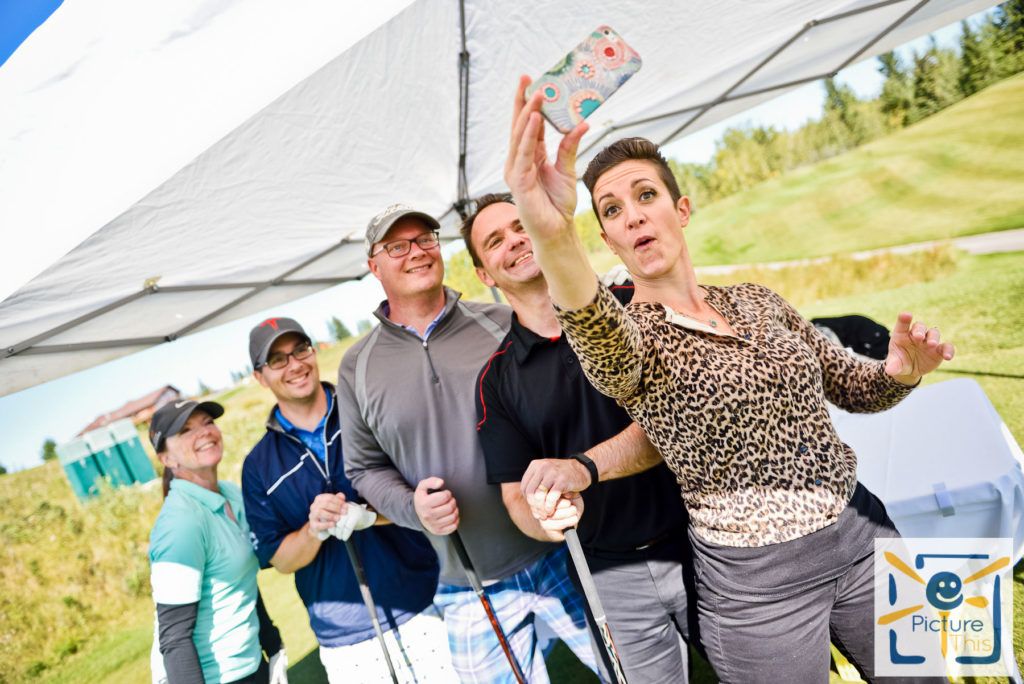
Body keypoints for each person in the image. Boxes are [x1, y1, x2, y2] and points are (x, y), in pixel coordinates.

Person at [503, 76, 955, 683]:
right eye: (612, 210)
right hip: (758, 592)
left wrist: (900, 372)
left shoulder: (758, 301)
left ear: (680, 209)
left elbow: (850, 386)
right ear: (607, 237)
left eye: (645, 195)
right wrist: (552, 232)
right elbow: (592, 324)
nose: (633, 216)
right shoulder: (634, 338)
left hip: (863, 539)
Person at [338, 203, 600, 683]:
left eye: (425, 239)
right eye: (398, 246)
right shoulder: (357, 367)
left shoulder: (503, 322)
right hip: (468, 583)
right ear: (374, 266)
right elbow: (363, 470)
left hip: (562, 548)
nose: (416, 252)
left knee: (629, 671)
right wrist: (412, 508)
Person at [462, 192, 698, 683]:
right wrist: (545, 519)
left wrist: (582, 467)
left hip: (705, 539)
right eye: (495, 241)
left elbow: (683, 414)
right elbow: (515, 500)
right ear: (485, 274)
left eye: (520, 226)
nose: (515, 241)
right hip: (611, 576)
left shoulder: (636, 305)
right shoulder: (496, 381)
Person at [240, 317, 455, 683]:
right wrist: (314, 531)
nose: (294, 365)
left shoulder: (366, 408)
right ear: (260, 377)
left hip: (423, 602)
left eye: (300, 350)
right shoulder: (258, 467)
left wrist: (368, 515)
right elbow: (280, 559)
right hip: (347, 641)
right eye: (277, 360)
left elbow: (418, 490)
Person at [148, 400, 286, 684]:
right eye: (186, 430)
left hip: (250, 665)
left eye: (207, 422)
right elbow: (174, 637)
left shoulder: (231, 494)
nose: (204, 432)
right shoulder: (181, 524)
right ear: (167, 460)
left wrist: (273, 645)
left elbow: (238, 579)